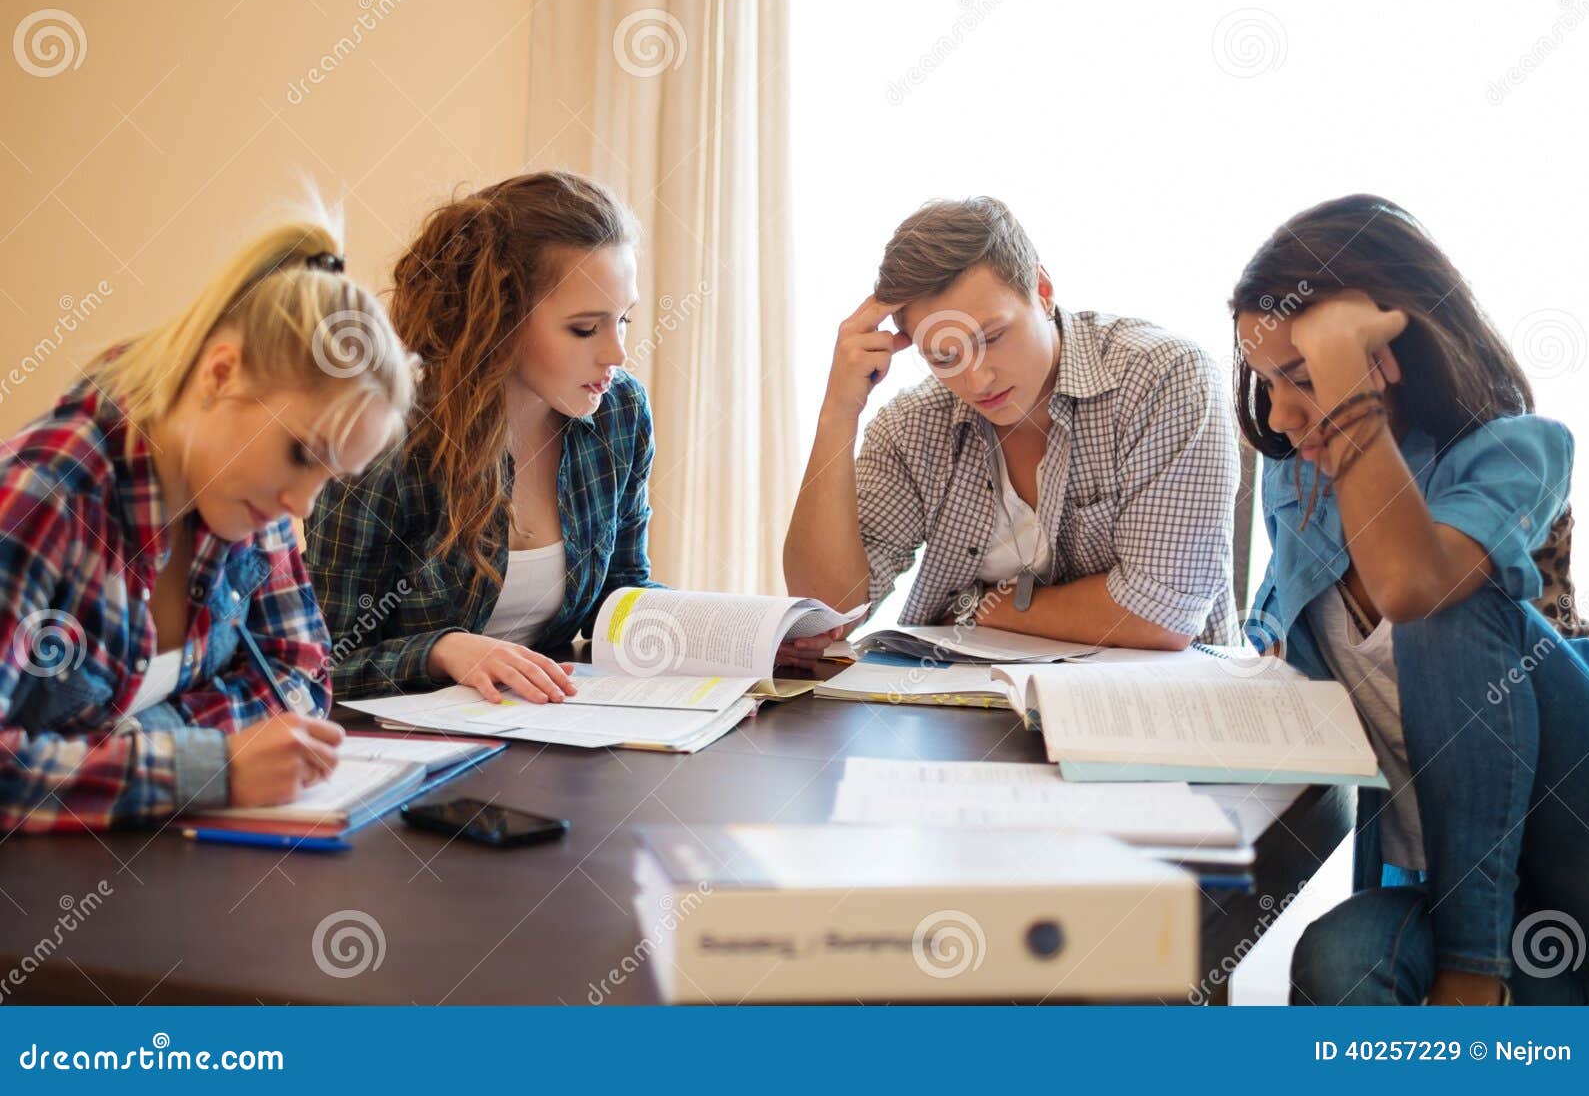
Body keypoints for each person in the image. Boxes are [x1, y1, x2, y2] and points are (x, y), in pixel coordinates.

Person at [1233, 193, 1589, 1004]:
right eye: (1266, 382)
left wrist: (1347, 386)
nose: (1283, 416)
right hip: (1490, 895)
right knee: (1340, 960)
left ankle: (1473, 978)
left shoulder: (1519, 449)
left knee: (1439, 607)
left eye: (1303, 377)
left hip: (1582, 832)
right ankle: (1484, 994)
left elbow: (1410, 584)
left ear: (1391, 352)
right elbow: (1281, 618)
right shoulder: (1295, 478)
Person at [307, 170, 830, 706]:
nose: (616, 353)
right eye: (585, 328)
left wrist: (751, 643)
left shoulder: (619, 412)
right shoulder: (383, 438)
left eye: (624, 320)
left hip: (544, 726)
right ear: (499, 320)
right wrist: (445, 650)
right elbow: (314, 665)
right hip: (407, 747)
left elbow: (619, 594)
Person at [0, 216, 415, 831]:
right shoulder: (42, 496)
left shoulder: (245, 489)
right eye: (301, 453)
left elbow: (299, 679)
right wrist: (205, 768)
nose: (302, 504)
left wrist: (143, 745)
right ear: (220, 374)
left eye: (327, 476)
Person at [785, 195, 1239, 648]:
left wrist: (976, 610)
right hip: (960, 708)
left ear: (1042, 291)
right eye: (944, 356)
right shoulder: (913, 424)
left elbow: (1160, 618)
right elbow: (826, 615)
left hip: (1147, 709)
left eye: (993, 337)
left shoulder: (1163, 377)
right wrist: (838, 413)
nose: (977, 379)